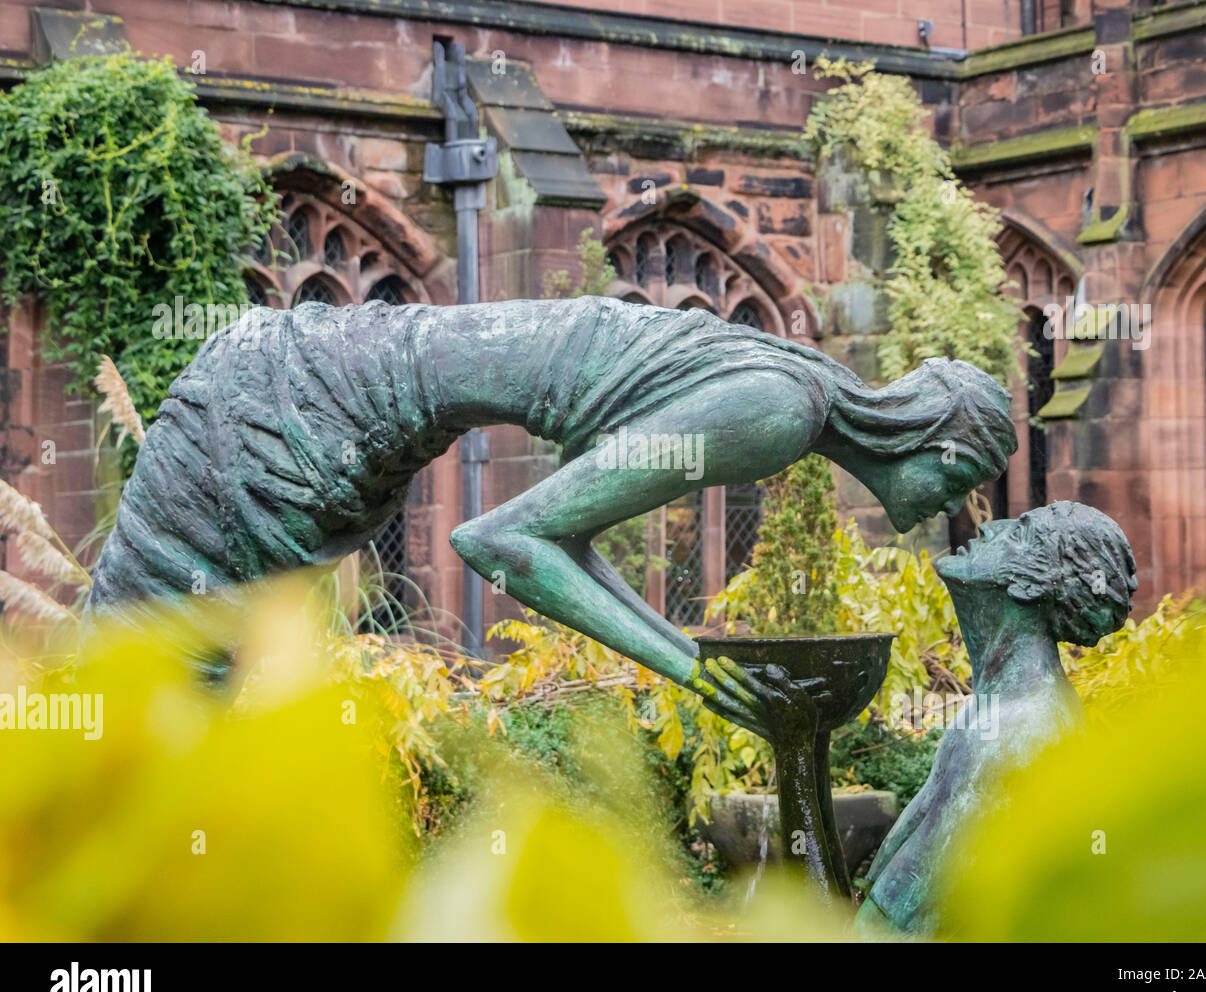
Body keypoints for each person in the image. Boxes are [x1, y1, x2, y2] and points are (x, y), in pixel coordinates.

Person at [90, 296, 1016, 733]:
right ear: (933, 441)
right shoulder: (778, 414)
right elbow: (504, 540)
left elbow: (555, 535)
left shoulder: (787, 395)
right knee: (143, 708)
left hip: (324, 408)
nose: (954, 505)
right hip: (295, 412)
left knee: (164, 715)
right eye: (965, 477)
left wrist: (686, 659)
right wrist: (691, 667)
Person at [860, 501, 1139, 935]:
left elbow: (885, 925)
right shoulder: (997, 709)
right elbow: (873, 891)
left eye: (1021, 533)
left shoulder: (1017, 733)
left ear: (1032, 586)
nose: (994, 527)